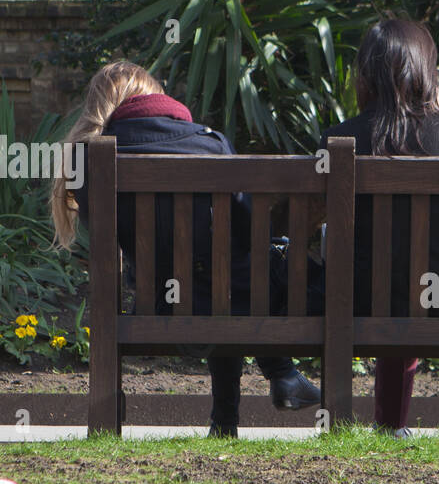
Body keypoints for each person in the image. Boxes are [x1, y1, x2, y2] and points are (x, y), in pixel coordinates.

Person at [50, 60, 320, 437]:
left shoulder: (90, 159)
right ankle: (278, 377)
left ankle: (239, 410)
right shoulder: (211, 143)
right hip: (230, 298)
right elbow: (245, 229)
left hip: (160, 304)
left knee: (212, 282)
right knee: (234, 276)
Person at [318, 19, 439, 437]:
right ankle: (394, 420)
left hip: (352, 299)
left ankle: (379, 425)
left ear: (365, 76)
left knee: (381, 268)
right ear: (428, 72)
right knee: (416, 267)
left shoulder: (341, 138)